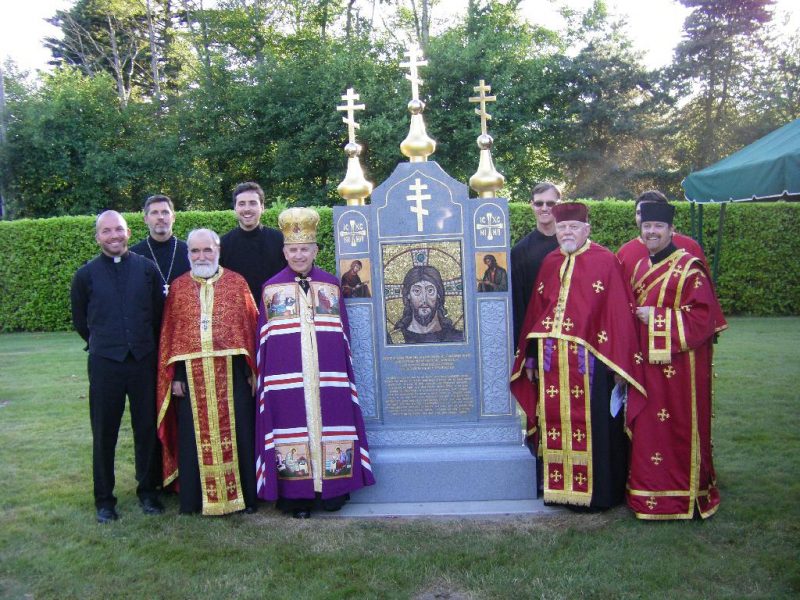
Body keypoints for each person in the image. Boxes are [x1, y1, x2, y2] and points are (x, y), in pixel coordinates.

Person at [510, 202, 646, 510]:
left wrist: (619, 365)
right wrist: (530, 357)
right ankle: (560, 489)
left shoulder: (605, 261)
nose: (567, 232)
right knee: (554, 422)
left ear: (587, 229)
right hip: (551, 361)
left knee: (597, 424)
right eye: (562, 227)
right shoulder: (549, 262)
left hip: (592, 362)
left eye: (573, 227)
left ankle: (599, 494)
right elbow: (536, 312)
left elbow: (618, 316)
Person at [254, 207, 375, 518]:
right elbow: (264, 340)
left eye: (304, 249)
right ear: (284, 251)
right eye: (293, 249)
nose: (298, 255)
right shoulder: (271, 289)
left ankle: (332, 491)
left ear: (315, 250)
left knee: (333, 421)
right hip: (287, 379)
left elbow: (341, 335)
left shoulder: (331, 286)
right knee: (289, 430)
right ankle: (298, 497)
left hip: (327, 375)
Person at [626, 202, 727, 519]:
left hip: (682, 373)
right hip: (648, 368)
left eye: (658, 227)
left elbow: (702, 321)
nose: (651, 232)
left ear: (671, 231)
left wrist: (655, 317)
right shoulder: (641, 266)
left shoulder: (690, 268)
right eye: (647, 226)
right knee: (648, 431)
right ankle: (647, 494)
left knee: (678, 429)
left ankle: (683, 496)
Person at [156, 228, 259, 516]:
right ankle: (195, 499)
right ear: (188, 253)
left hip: (234, 375)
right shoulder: (177, 288)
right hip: (190, 378)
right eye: (195, 251)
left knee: (239, 434)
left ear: (218, 251)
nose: (201, 256)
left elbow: (250, 328)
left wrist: (253, 370)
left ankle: (244, 498)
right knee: (192, 437)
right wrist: (174, 376)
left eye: (207, 250)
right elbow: (170, 336)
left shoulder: (237, 283)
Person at [70, 210, 164, 523]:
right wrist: (106, 343)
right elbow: (81, 322)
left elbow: (157, 316)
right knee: (104, 432)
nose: (114, 236)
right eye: (107, 231)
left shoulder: (147, 269)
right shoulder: (85, 275)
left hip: (142, 361)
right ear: (98, 237)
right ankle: (104, 500)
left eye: (119, 230)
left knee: (146, 430)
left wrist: (142, 346)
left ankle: (148, 492)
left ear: (127, 232)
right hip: (105, 364)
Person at [616, 190, 709, 285]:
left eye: (650, 210)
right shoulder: (624, 252)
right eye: (639, 212)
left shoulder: (690, 246)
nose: (644, 216)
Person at [511, 182, 561, 347]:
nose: (545, 208)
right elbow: (519, 306)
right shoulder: (520, 251)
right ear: (532, 205)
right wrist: (527, 352)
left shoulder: (572, 246)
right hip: (537, 340)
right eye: (539, 203)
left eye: (551, 203)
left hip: (571, 337)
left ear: (559, 205)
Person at [220, 181, 287, 305]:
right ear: (235, 208)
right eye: (241, 204)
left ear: (262, 207)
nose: (247, 209)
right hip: (238, 314)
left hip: (275, 311)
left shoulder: (280, 240)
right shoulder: (223, 244)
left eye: (252, 203)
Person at [130, 195, 191, 297]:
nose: (160, 217)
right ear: (146, 219)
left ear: (173, 218)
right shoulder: (134, 255)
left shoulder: (189, 252)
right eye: (154, 213)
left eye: (165, 212)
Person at [390, 265, 464, 343]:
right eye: (417, 291)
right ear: (408, 295)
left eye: (430, 291)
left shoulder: (457, 338)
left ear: (438, 294)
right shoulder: (395, 340)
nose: (424, 299)